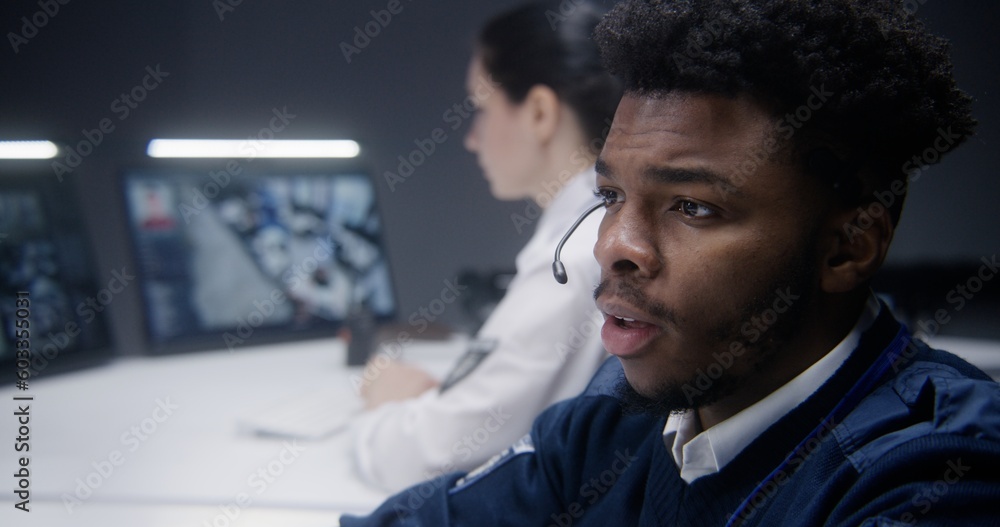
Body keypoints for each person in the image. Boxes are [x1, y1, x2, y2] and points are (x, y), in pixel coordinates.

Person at [341, 0, 1000, 524]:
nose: (612, 246)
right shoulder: (624, 413)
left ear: (847, 247)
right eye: (610, 196)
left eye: (693, 206)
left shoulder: (934, 477)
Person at [350, 0, 622, 492]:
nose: (472, 139)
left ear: (539, 112)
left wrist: (388, 404)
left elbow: (424, 462)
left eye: (481, 106)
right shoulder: (598, 227)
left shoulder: (576, 259)